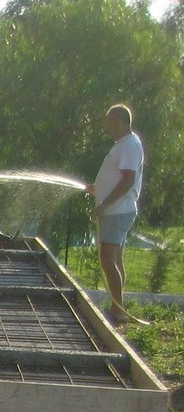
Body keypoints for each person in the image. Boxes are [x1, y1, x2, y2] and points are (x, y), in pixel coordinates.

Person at [85, 103, 146, 325]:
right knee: (115, 260)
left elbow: (129, 179)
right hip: (117, 209)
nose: (106, 127)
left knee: (108, 260)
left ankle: (118, 311)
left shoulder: (129, 145)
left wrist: (104, 203)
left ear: (121, 121)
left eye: (109, 122)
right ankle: (116, 306)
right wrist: (98, 187)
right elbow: (119, 176)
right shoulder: (125, 143)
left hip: (116, 210)